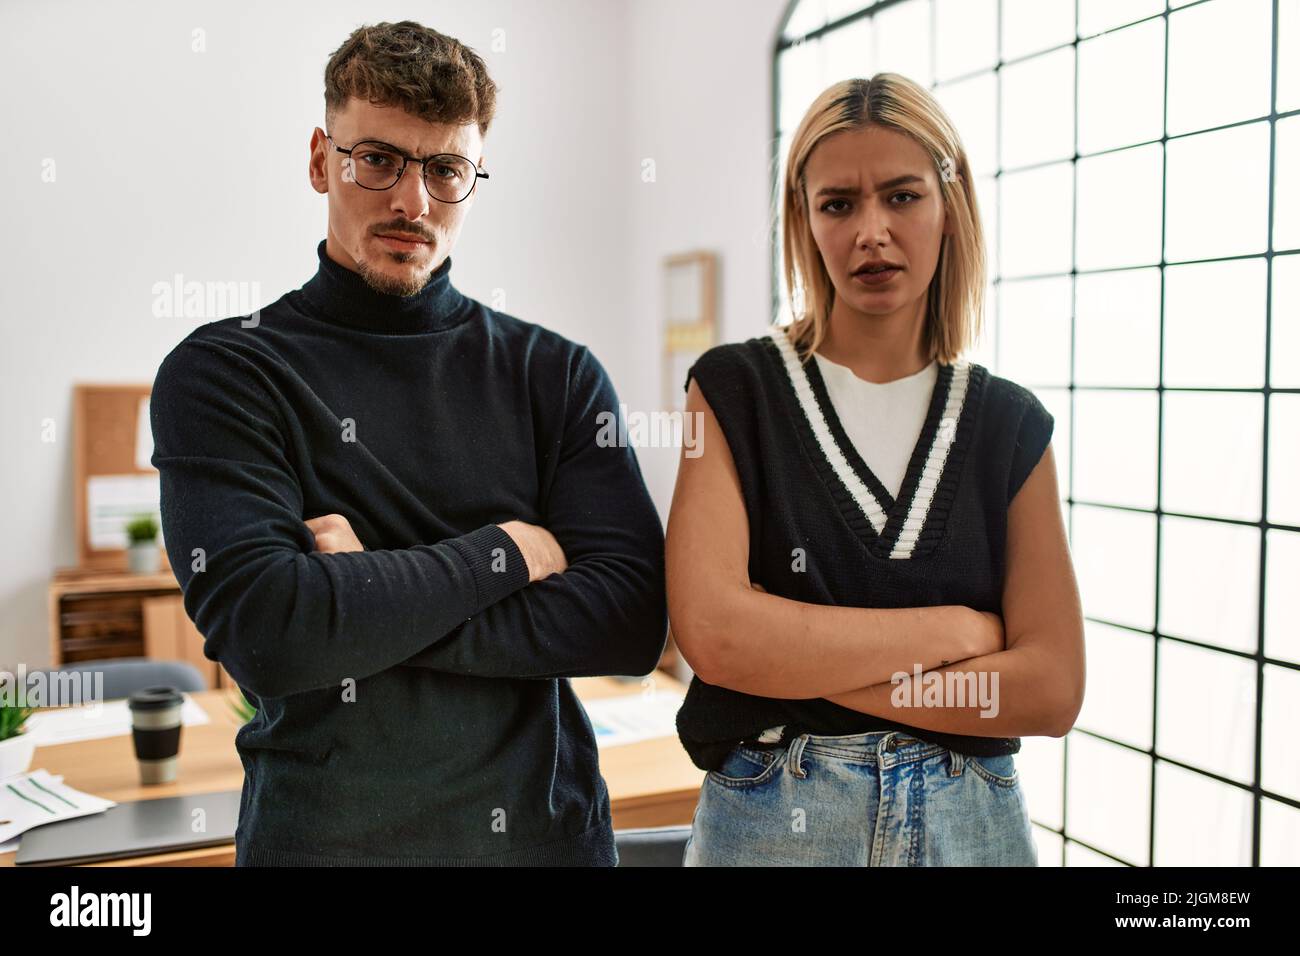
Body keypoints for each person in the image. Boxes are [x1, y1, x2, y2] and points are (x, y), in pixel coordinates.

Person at [149, 20, 667, 866]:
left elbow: (628, 621)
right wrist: (504, 552)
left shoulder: (556, 375)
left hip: (543, 843)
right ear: (322, 159)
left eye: (446, 170)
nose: (413, 202)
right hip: (321, 843)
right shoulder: (225, 372)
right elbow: (274, 634)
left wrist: (364, 590)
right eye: (379, 160)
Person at [666, 73, 1086, 866]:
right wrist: (954, 634)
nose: (871, 231)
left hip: (975, 830)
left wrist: (793, 662)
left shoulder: (1008, 423)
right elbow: (717, 636)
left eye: (901, 196)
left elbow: (1051, 689)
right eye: (838, 204)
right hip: (774, 820)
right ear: (804, 219)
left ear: (948, 206)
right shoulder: (733, 390)